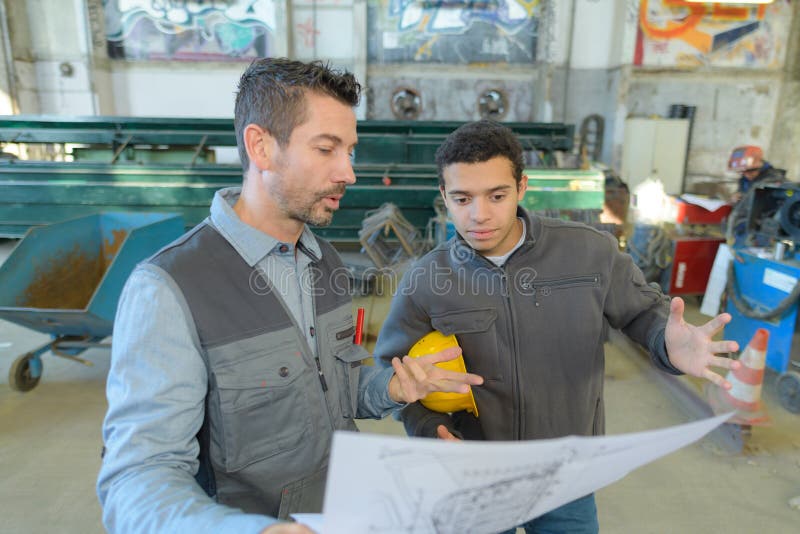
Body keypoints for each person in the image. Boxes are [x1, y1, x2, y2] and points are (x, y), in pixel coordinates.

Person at [96, 58, 483, 533]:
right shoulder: (169, 289)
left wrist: (392, 388)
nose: (348, 172)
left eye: (350, 151)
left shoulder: (327, 264)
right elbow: (135, 480)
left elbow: (325, 390)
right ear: (260, 146)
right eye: (326, 149)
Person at [373, 120, 741, 534]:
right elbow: (393, 371)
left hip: (567, 475)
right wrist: (431, 431)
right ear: (443, 196)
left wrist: (667, 343)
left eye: (497, 196)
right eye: (462, 198)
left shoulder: (589, 252)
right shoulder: (426, 280)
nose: (479, 214)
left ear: (522, 187)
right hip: (475, 474)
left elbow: (642, 313)